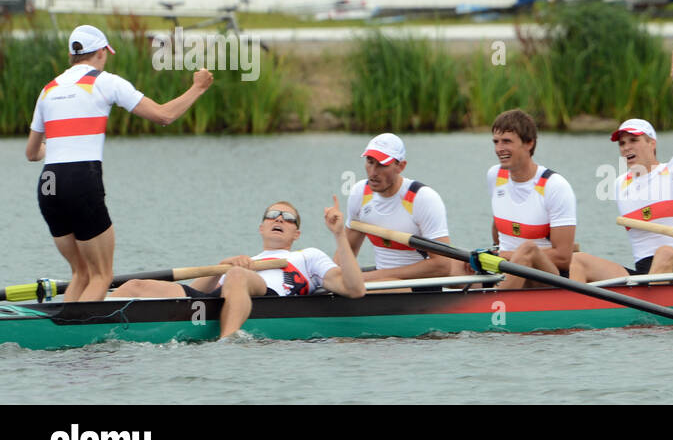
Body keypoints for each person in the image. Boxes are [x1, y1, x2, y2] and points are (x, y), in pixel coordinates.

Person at [26, 24, 213, 302]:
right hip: (81, 179)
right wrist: (198, 88)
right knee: (101, 275)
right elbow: (163, 116)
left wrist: (57, 145)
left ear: (71, 55)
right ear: (101, 52)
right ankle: (82, 336)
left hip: (48, 184)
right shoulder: (106, 82)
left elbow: (32, 152)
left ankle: (64, 333)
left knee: (80, 273)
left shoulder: (48, 90)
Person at [108, 199, 366, 338]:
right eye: (272, 215)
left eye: (288, 219)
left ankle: (226, 342)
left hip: (271, 297)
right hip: (226, 293)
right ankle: (88, 318)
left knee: (238, 276)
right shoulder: (246, 260)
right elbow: (192, 293)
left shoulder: (307, 255)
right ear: (261, 228)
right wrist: (219, 269)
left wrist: (339, 235)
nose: (279, 219)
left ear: (296, 233)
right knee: (133, 286)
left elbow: (354, 289)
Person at [569, 45, 673, 281]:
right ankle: (569, 314)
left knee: (664, 253)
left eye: (633, 140)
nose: (626, 148)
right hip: (644, 273)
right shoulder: (620, 184)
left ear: (651, 143)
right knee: (578, 260)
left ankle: (645, 313)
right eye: (622, 144)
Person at [482, 109, 578, 289]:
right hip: (507, 269)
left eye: (506, 142)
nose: (499, 149)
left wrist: (506, 256)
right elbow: (498, 231)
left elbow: (564, 258)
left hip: (548, 278)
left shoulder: (555, 186)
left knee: (528, 250)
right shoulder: (494, 175)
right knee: (455, 263)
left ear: (528, 143)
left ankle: (493, 310)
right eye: (496, 142)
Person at [345, 133, 455, 284]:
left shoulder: (423, 198)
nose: (373, 172)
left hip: (418, 289)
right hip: (381, 284)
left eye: (382, 165)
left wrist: (375, 277)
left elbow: (442, 266)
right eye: (370, 162)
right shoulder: (359, 193)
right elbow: (347, 251)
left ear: (401, 166)